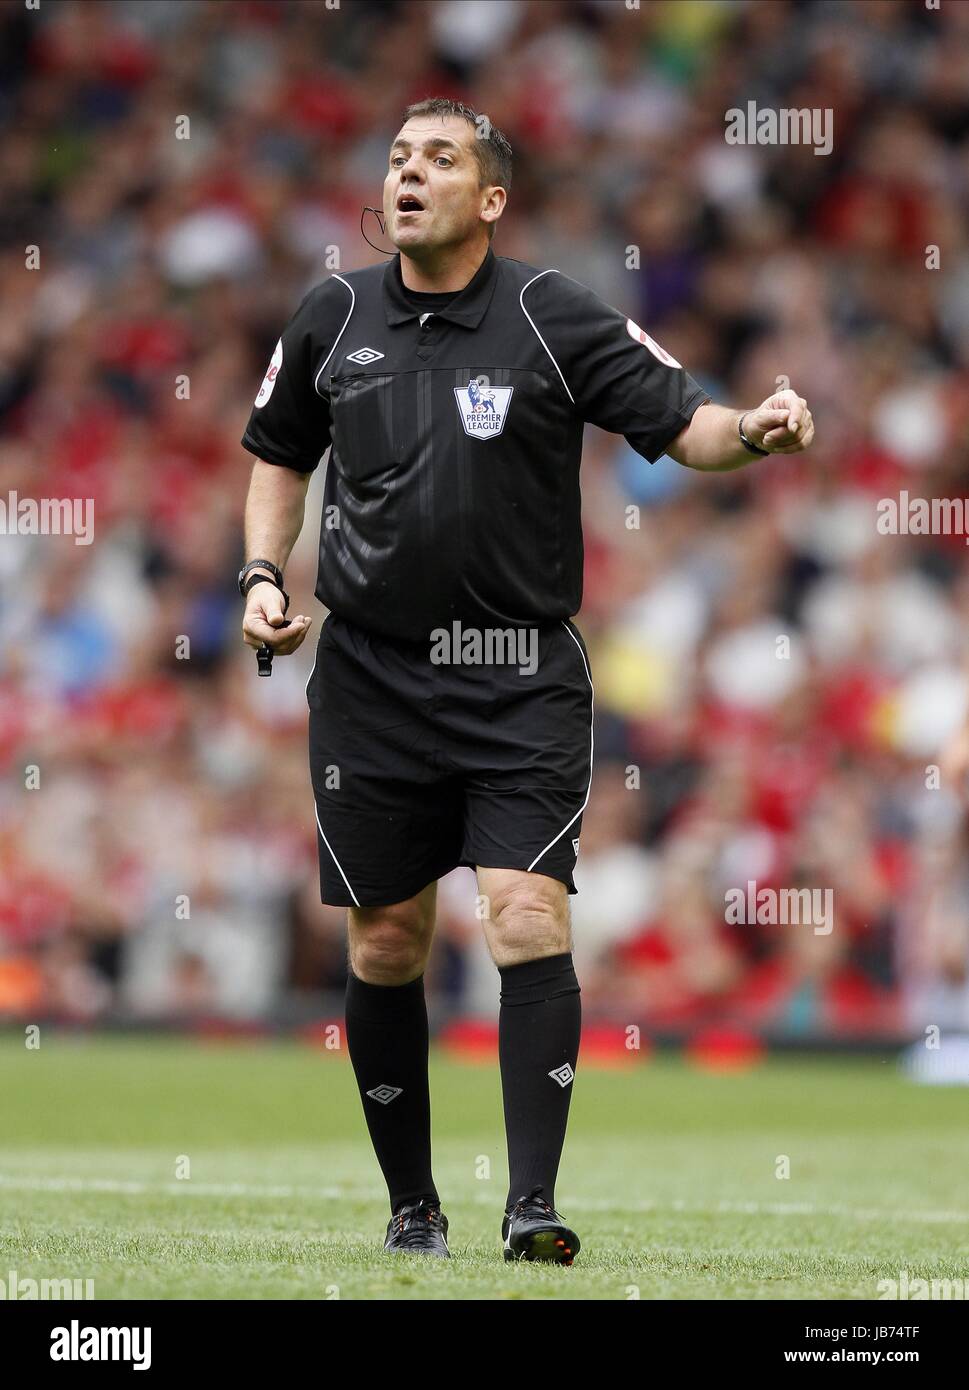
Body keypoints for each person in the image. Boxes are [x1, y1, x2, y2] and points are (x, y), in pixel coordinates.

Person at [239, 97, 815, 1263]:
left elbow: (682, 421)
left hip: (520, 675)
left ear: (490, 199)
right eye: (397, 156)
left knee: (523, 914)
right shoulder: (330, 316)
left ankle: (531, 1205)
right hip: (370, 677)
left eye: (439, 159)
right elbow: (278, 458)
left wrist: (752, 430)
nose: (409, 173)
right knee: (387, 944)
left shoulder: (554, 315)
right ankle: (414, 1210)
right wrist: (260, 572)